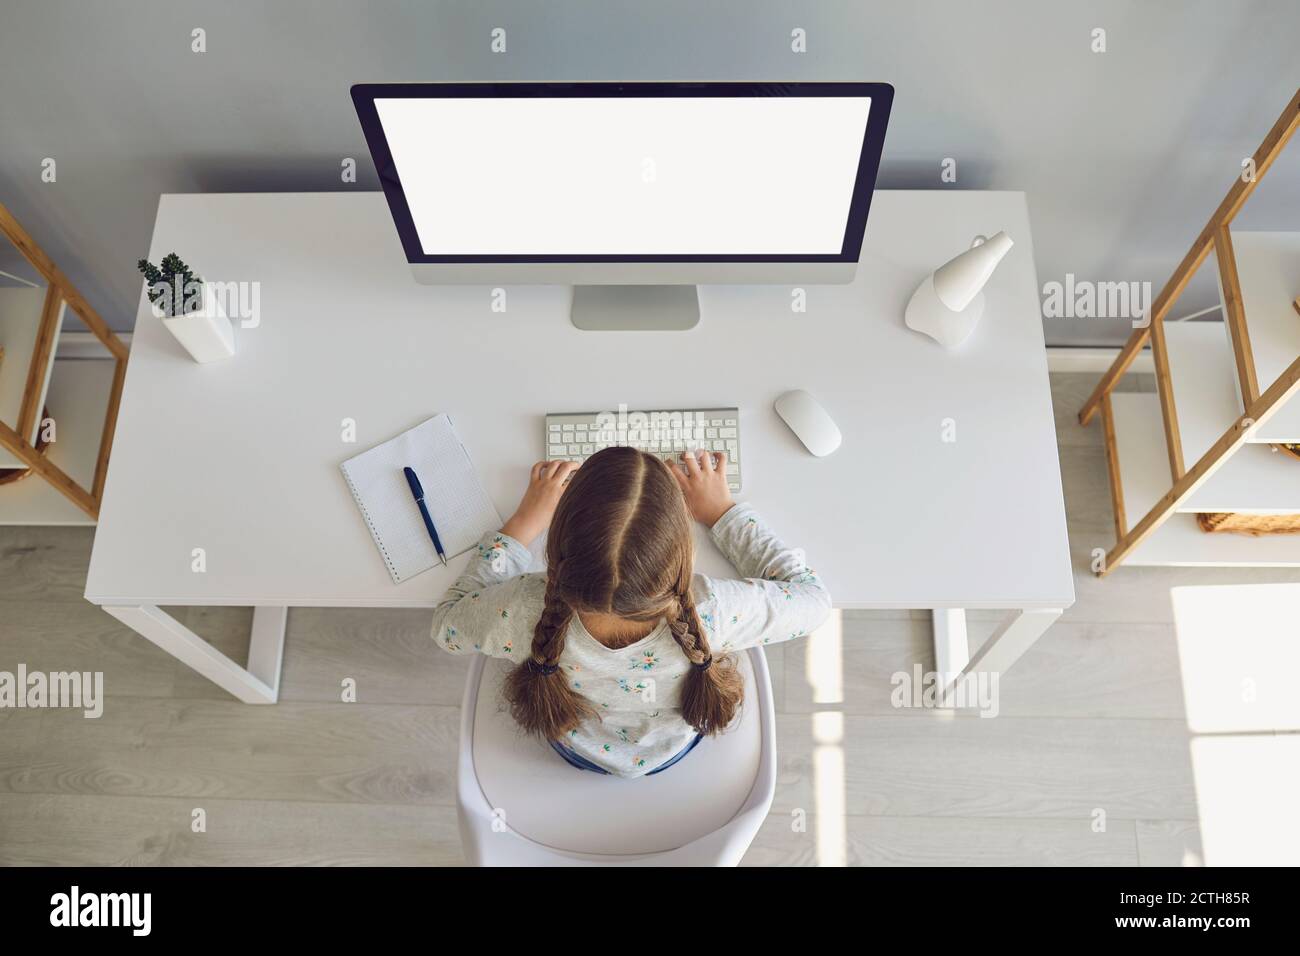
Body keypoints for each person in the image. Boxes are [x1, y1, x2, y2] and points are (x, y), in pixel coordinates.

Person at [431, 445, 830, 778]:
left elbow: (447, 623)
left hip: (575, 746)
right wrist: (722, 512)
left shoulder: (524, 610)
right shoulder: (714, 611)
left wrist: (523, 522)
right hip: (671, 748)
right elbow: (813, 601)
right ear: (682, 554)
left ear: (557, 547)